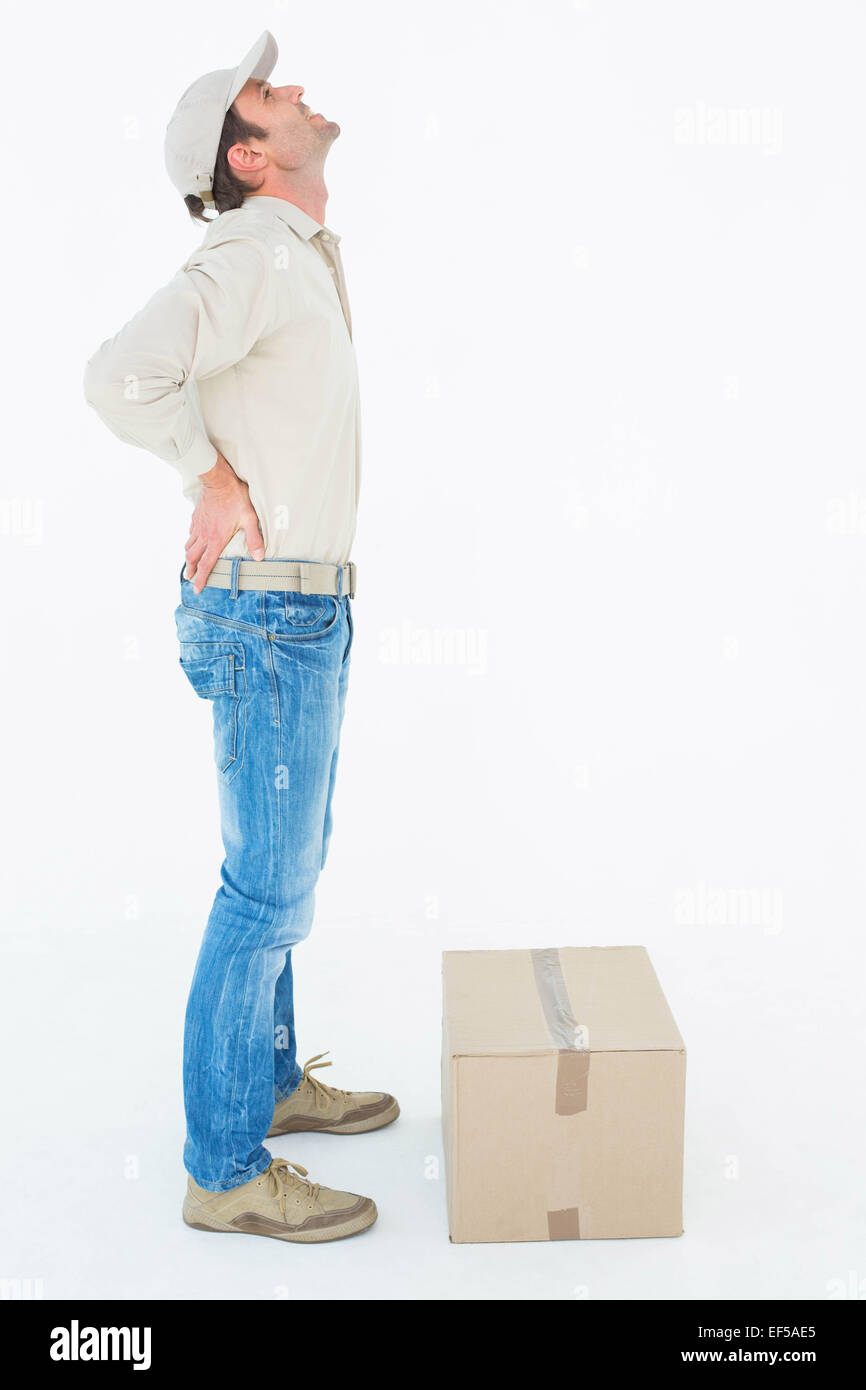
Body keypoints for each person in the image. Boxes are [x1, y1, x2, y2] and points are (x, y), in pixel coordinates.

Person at [84, 30, 396, 1245]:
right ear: (252, 155)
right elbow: (119, 376)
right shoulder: (252, 252)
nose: (299, 89)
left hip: (295, 605)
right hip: (267, 609)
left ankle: (263, 1082)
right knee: (263, 888)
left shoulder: (293, 251)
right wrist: (203, 473)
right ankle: (223, 1166)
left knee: (285, 872)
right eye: (271, 93)